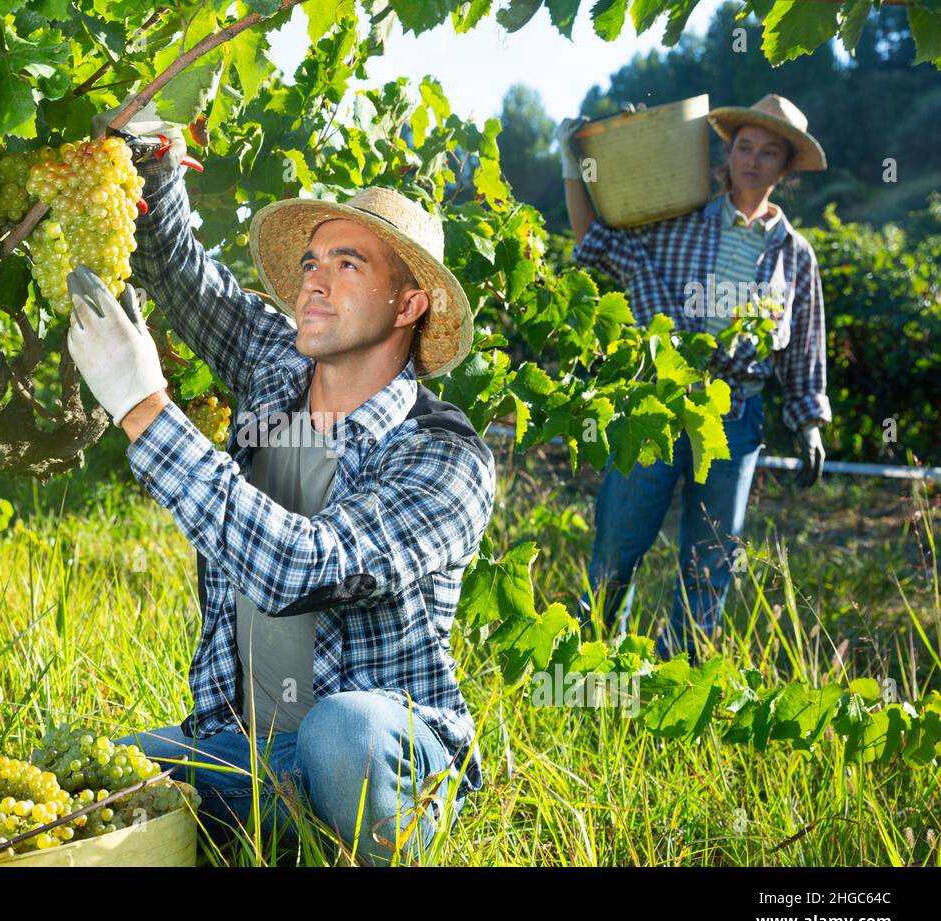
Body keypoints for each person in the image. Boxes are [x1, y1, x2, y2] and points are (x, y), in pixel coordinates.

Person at [60, 103, 497, 865]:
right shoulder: (276, 366)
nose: (313, 283)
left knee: (341, 735)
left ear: (409, 304)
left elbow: (302, 568)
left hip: (380, 756)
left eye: (347, 264)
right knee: (84, 786)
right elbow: (185, 280)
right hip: (242, 754)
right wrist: (156, 160)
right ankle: (277, 836)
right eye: (310, 262)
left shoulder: (445, 459)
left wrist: (143, 408)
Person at [557, 93, 831, 664]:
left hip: (737, 417)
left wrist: (809, 424)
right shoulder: (675, 222)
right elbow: (594, 243)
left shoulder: (794, 256)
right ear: (728, 154)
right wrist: (573, 162)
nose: (752, 160)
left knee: (711, 561)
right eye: (744, 147)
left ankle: (678, 679)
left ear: (785, 168)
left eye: (768, 152)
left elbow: (804, 344)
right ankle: (594, 668)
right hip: (657, 404)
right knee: (618, 545)